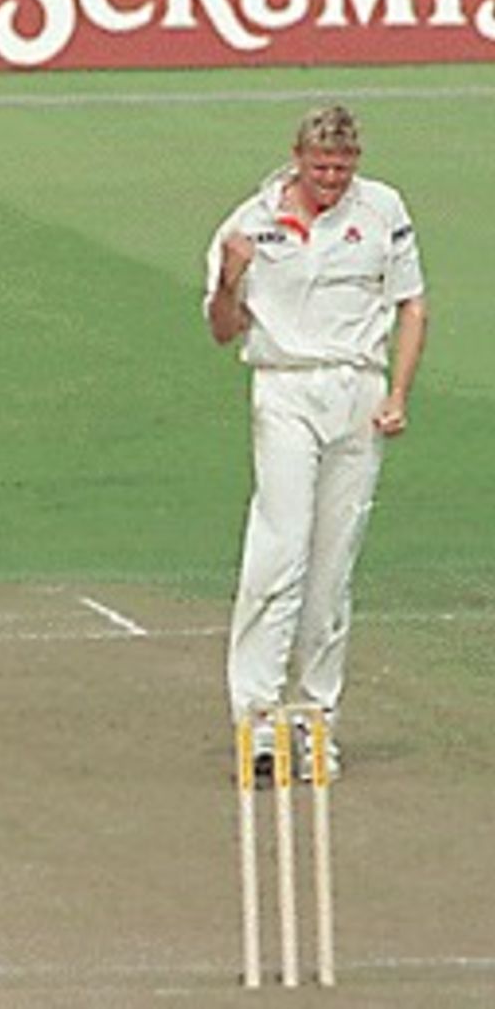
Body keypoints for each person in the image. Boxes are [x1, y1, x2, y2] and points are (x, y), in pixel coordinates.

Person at [204, 104, 428, 782]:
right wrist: (231, 278)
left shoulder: (383, 209)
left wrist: (398, 393)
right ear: (297, 157)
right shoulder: (251, 222)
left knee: (333, 568)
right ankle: (257, 718)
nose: (331, 178)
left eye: (342, 166)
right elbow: (222, 329)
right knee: (279, 551)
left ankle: (314, 721)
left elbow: (412, 305)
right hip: (286, 388)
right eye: (320, 166)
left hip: (358, 391)